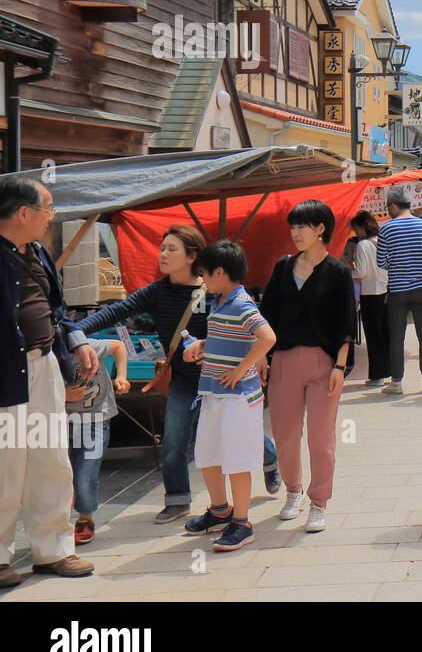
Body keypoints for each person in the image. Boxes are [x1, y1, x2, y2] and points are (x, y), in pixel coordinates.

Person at [66, 224, 281, 523]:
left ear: (192, 256)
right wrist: (74, 331)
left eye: (171, 249)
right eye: (162, 248)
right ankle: (178, 499)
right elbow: (116, 312)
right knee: (174, 439)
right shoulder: (155, 292)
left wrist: (253, 359)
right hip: (183, 379)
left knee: (242, 437)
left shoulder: (214, 291)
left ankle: (269, 460)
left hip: (222, 381)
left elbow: (250, 327)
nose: (163, 254)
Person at [0, 177, 95, 587]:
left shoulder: (37, 251)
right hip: (6, 372)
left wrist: (77, 341)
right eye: (48, 208)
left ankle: (53, 549)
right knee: (6, 465)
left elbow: (56, 309)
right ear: (24, 213)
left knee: (50, 459)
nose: (51, 217)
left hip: (43, 368)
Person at [260, 200, 355, 533]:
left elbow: (346, 322)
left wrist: (340, 368)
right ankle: (293, 491)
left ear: (321, 229)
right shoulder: (283, 268)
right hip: (283, 359)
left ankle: (319, 502)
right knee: (285, 436)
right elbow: (265, 313)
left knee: (320, 438)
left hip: (323, 362)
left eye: (302, 226)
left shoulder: (338, 271)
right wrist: (261, 355)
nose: (295, 233)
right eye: (293, 226)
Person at [180, 240, 276, 552]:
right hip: (214, 393)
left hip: (236, 397)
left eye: (205, 272)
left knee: (236, 460)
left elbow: (267, 337)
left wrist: (241, 370)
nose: (202, 278)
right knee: (207, 455)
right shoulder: (223, 301)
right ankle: (221, 511)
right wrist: (204, 346)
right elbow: (232, 336)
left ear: (219, 272)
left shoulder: (240, 303)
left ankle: (242, 522)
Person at [66, 337, 129, 545]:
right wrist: (63, 395)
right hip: (59, 420)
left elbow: (118, 346)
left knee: (85, 473)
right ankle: (62, 518)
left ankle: (85, 518)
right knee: (62, 473)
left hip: (95, 419)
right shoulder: (47, 355)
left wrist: (120, 376)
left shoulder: (86, 345)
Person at [377, 187, 422, 395]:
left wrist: (397, 263)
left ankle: (397, 381)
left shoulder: (386, 229)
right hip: (421, 287)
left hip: (397, 289)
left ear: (393, 205)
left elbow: (381, 262)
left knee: (397, 335)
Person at [350, 210, 390, 388]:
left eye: (356, 229)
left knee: (373, 337)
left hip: (369, 294)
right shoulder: (381, 241)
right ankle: (390, 371)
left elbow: (361, 272)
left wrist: (348, 270)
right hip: (385, 292)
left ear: (361, 227)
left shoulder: (363, 245)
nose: (356, 233)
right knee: (384, 335)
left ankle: (377, 375)